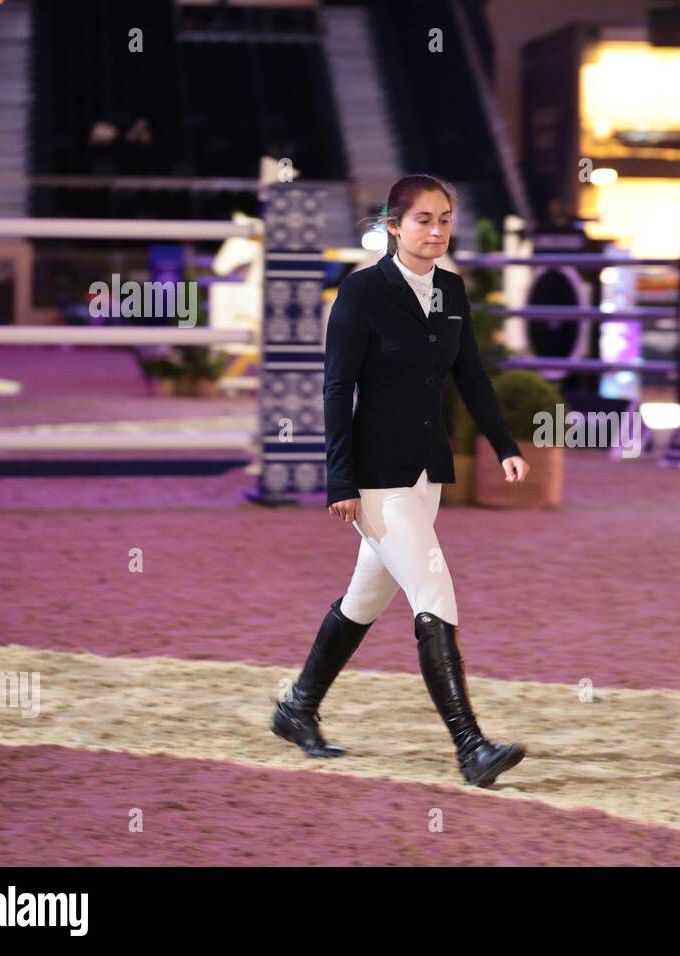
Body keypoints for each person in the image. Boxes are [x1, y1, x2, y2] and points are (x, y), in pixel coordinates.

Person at [271, 174, 530, 789]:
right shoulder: (360, 293)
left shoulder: (452, 291)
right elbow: (336, 389)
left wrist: (504, 445)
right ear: (392, 225)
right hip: (376, 477)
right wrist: (340, 480)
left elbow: (470, 378)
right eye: (423, 220)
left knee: (364, 600)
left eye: (445, 219)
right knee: (434, 595)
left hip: (426, 474)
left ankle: (297, 707)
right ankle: (471, 747)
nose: (436, 231)